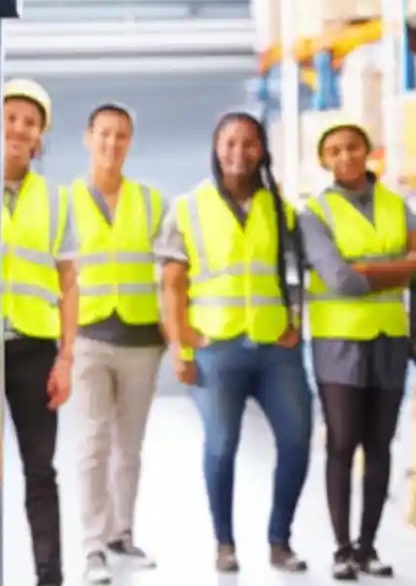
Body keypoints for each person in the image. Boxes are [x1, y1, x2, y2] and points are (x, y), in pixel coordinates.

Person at [155, 110, 312, 574]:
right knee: (222, 446)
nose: (239, 152)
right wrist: (180, 346)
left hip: (274, 347)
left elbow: (293, 276)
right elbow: (171, 283)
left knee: (297, 439)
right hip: (215, 347)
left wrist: (296, 322)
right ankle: (224, 542)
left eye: (249, 143)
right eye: (229, 143)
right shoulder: (187, 206)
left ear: (262, 149)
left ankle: (280, 541)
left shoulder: (281, 208)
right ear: (216, 147)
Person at [298, 121, 414, 579]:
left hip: (390, 339)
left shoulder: (396, 206)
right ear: (324, 159)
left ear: (368, 151)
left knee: (380, 445)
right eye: (334, 151)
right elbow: (341, 281)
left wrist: (367, 267)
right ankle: (342, 548)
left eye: (352, 148)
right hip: (339, 344)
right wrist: (396, 267)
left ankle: (368, 546)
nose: (344, 156)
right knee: (343, 444)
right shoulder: (314, 214)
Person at [68, 102, 164, 584]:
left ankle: (121, 535)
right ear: (88, 138)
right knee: (92, 441)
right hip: (87, 337)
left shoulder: (150, 201)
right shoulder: (66, 201)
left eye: (121, 136)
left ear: (130, 142)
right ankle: (93, 545)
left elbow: (170, 273)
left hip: (142, 338)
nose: (112, 144)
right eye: (104, 134)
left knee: (130, 445)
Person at [0, 77, 77, 586]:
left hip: (34, 349)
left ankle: (50, 576)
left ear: (40, 136)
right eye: (11, 117)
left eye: (30, 122)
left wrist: (67, 358)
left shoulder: (55, 199)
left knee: (39, 471)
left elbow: (69, 282)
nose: (19, 128)